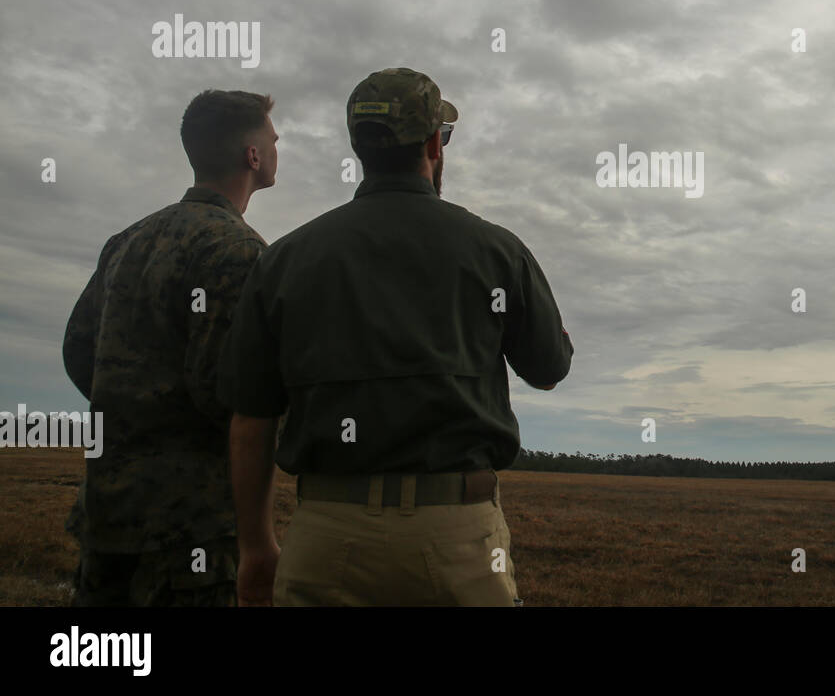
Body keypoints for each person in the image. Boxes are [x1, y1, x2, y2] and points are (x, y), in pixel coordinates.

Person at [219, 68, 573, 607]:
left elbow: (250, 419)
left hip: (324, 538)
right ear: (434, 144)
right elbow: (549, 368)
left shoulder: (286, 260)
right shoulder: (497, 250)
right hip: (458, 538)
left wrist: (256, 548)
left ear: (359, 147)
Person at [61, 90, 278, 606]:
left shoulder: (128, 239)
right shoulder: (239, 250)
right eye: (273, 140)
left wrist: (134, 402)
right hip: (192, 531)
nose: (275, 148)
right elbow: (227, 394)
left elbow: (78, 350)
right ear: (252, 156)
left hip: (107, 512)